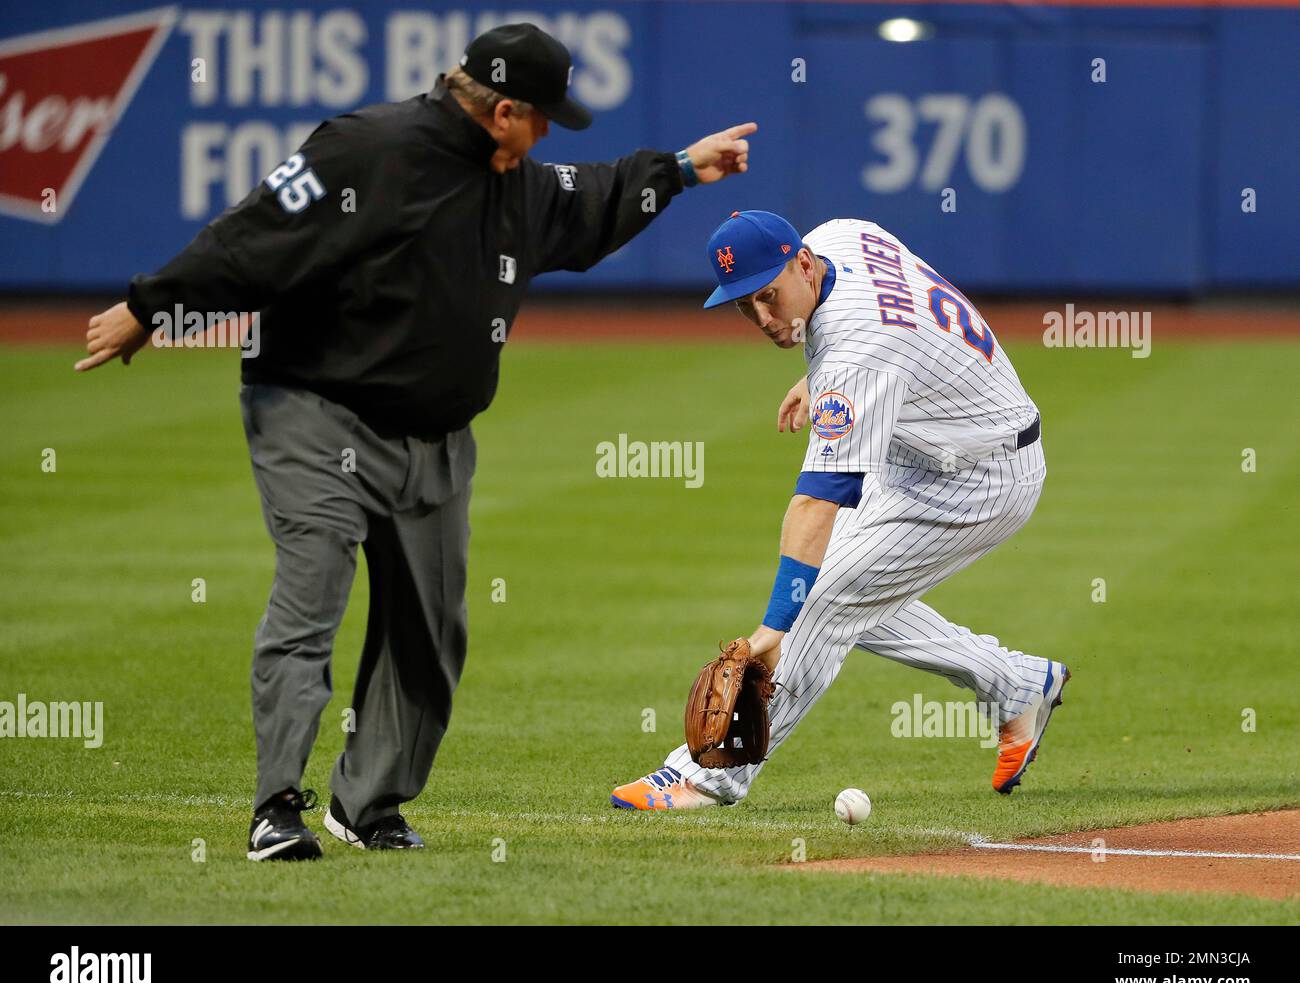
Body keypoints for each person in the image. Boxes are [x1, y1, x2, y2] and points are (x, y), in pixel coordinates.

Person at [77, 22, 754, 858]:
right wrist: (151, 306)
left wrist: (683, 170)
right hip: (315, 412)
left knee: (430, 631)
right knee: (312, 592)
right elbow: (250, 235)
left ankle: (365, 805)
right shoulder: (365, 150)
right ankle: (275, 805)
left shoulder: (516, 182)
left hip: (434, 437)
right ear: (502, 110)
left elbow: (591, 197)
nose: (548, 134)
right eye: (542, 117)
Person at [612, 210, 1068, 811]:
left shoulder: (858, 350)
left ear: (802, 264)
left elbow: (816, 501)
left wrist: (773, 630)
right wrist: (821, 377)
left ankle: (709, 776)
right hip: (924, 446)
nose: (764, 319)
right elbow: (889, 315)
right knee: (842, 590)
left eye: (769, 296)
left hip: (981, 477)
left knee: (819, 600)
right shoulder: (840, 235)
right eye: (745, 305)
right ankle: (1015, 684)